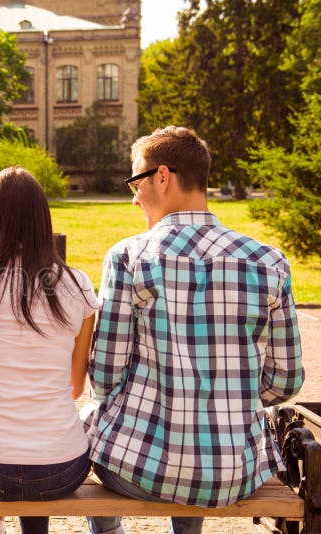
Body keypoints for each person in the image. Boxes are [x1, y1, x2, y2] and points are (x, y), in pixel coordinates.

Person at [85, 126, 304, 534]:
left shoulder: (130, 257)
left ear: (162, 177)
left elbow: (104, 376)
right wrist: (225, 397)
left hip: (138, 471)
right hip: (234, 473)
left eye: (136, 181)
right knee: (195, 453)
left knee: (90, 429)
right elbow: (285, 381)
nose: (134, 196)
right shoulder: (269, 262)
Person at [0, 167, 97, 534]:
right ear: (42, 219)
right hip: (63, 465)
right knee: (37, 471)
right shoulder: (78, 285)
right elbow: (75, 385)